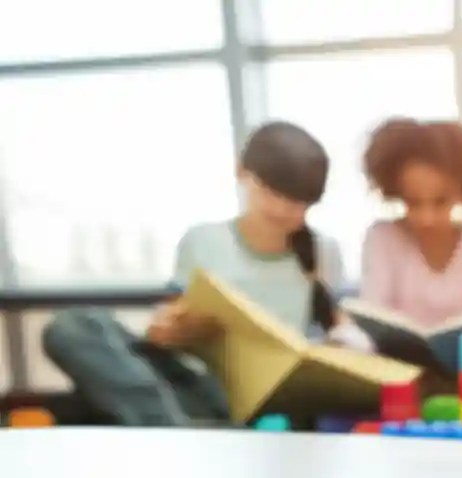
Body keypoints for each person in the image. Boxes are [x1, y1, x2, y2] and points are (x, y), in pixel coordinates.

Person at [42, 121, 367, 426]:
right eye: (272, 193)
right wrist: (168, 330)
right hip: (193, 384)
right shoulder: (202, 240)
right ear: (242, 173)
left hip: (267, 401)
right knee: (73, 327)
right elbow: (170, 318)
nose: (282, 210)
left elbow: (338, 327)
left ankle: (173, 430)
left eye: (297, 203)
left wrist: (344, 346)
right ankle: (173, 428)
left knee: (94, 406)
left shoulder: (324, 251)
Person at [359, 118, 462, 327]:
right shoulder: (382, 238)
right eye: (413, 203)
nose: (427, 218)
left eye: (440, 202)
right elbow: (373, 315)